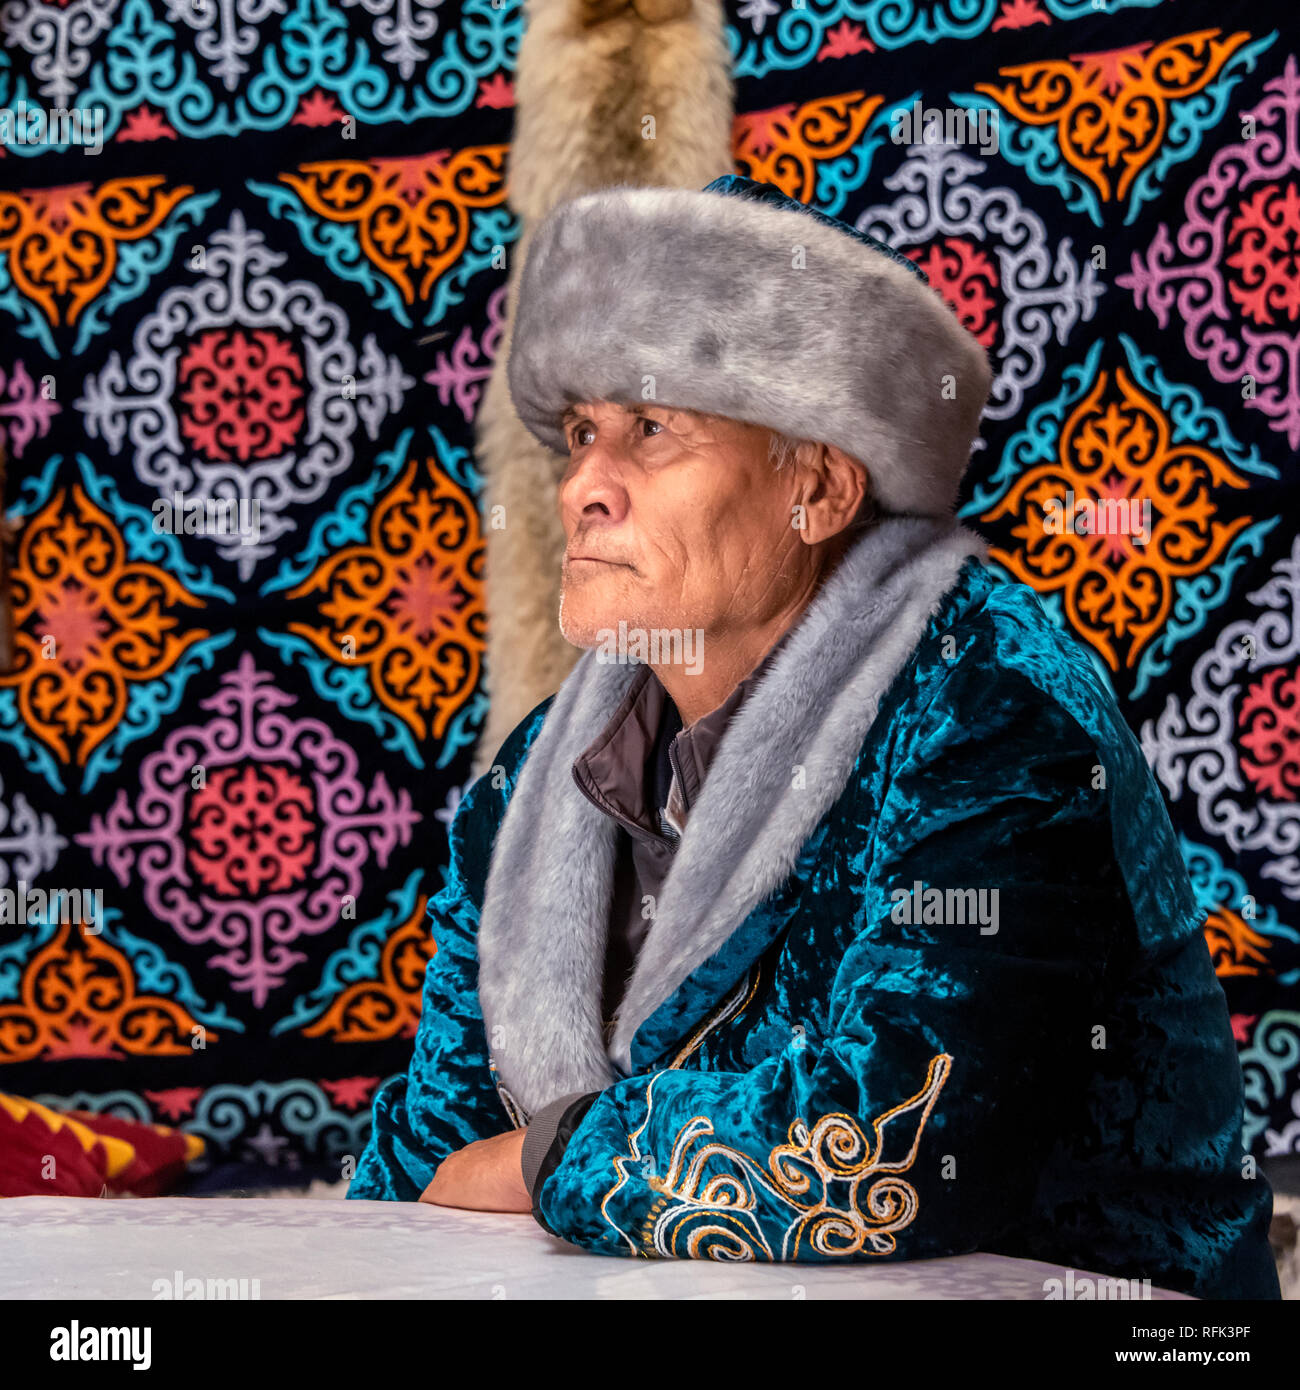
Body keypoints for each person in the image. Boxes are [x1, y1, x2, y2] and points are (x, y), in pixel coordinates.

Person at [347, 175, 1280, 1299]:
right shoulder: (529, 781)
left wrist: (548, 1155)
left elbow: (891, 1148)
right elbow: (427, 1157)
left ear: (821, 488)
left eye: (649, 429)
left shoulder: (993, 708)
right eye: (583, 431)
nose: (584, 484)